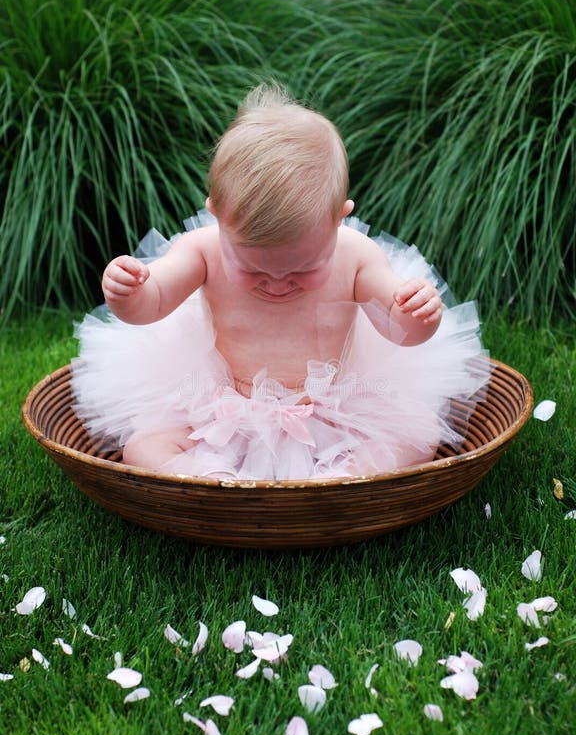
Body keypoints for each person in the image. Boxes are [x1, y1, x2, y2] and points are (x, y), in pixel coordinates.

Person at [72, 84, 490, 481]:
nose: (276, 284)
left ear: (339, 218)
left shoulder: (356, 257)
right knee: (143, 448)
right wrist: (130, 293)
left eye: (302, 270)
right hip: (221, 407)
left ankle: (347, 475)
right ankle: (206, 476)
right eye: (254, 270)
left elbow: (400, 331)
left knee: (417, 430)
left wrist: (417, 314)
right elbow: (154, 303)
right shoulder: (200, 251)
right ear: (216, 214)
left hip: (338, 407)